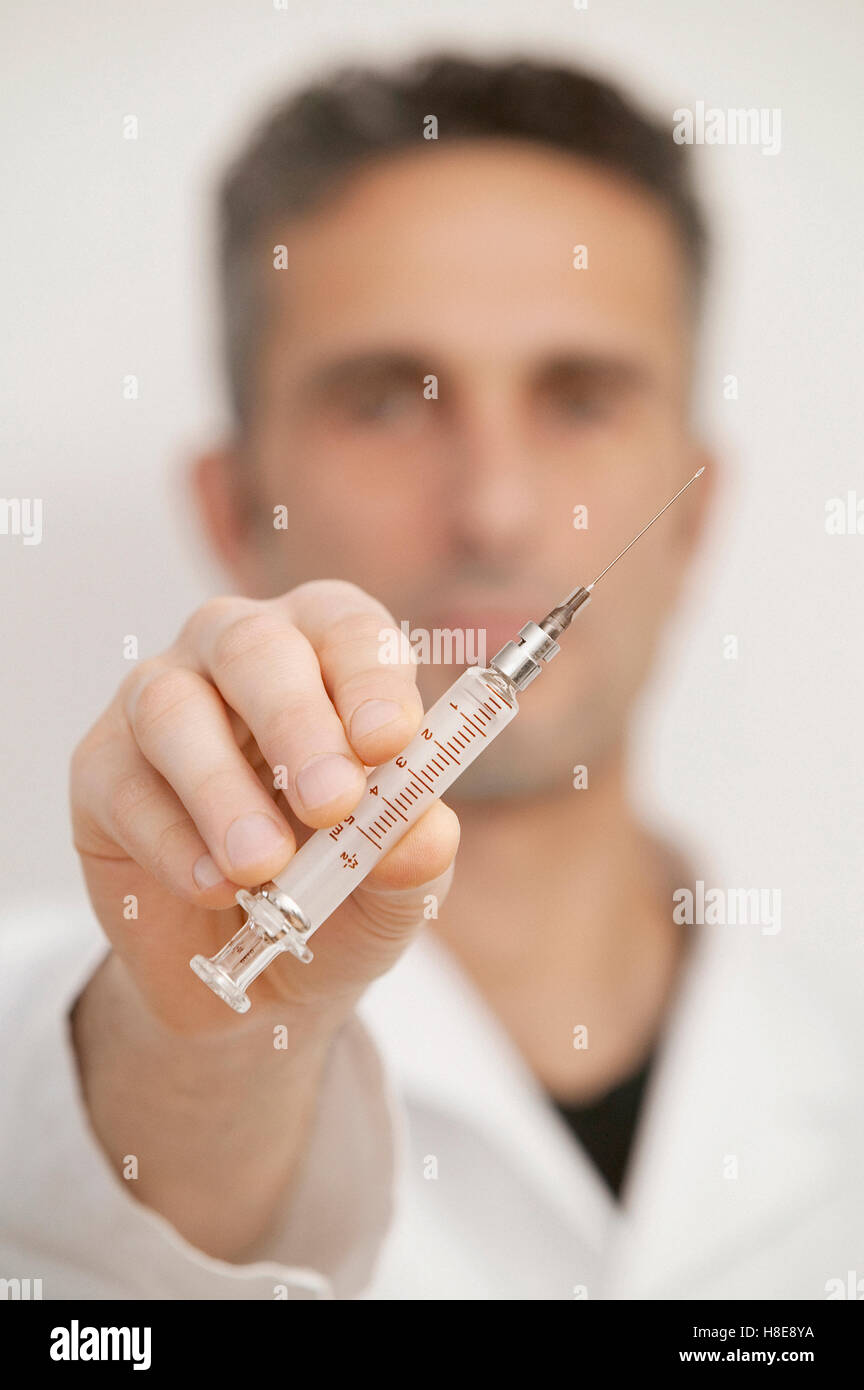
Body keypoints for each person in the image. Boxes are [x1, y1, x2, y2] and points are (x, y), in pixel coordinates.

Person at [1, 54, 856, 1302]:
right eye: (388, 402)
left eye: (579, 398)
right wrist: (199, 1054)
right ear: (234, 506)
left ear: (693, 514)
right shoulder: (53, 1034)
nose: (493, 512)